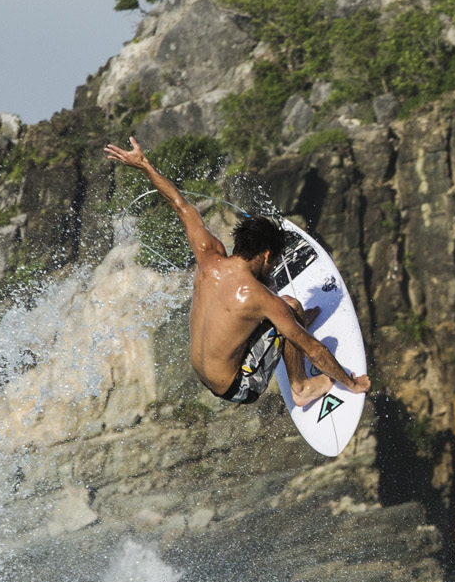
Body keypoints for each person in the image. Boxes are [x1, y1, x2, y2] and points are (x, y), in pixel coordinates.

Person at [104, 136, 371, 408]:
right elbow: (314, 350)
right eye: (275, 260)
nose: (275, 265)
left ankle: (295, 323)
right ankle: (300, 386)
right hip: (237, 386)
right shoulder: (257, 296)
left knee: (287, 311)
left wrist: (144, 165)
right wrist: (352, 383)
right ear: (267, 254)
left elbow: (180, 205)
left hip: (203, 371)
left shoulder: (209, 255)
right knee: (289, 308)